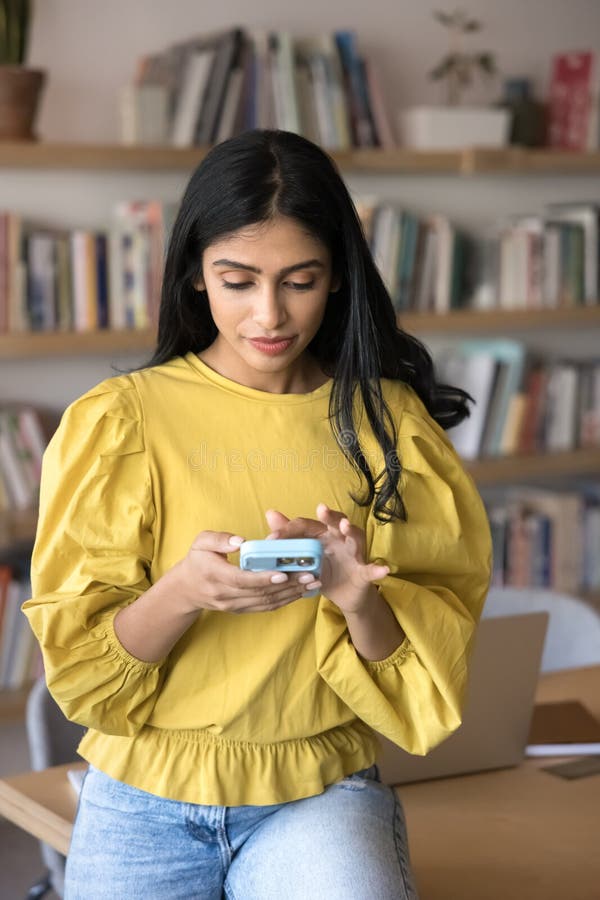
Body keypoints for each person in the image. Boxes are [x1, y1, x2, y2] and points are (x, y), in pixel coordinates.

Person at [23, 129, 492, 900]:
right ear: (194, 275)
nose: (269, 315)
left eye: (300, 281)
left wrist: (359, 598)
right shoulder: (120, 421)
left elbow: (420, 683)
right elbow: (83, 676)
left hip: (320, 787)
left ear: (336, 277)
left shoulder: (391, 426)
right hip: (142, 794)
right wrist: (183, 591)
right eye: (237, 281)